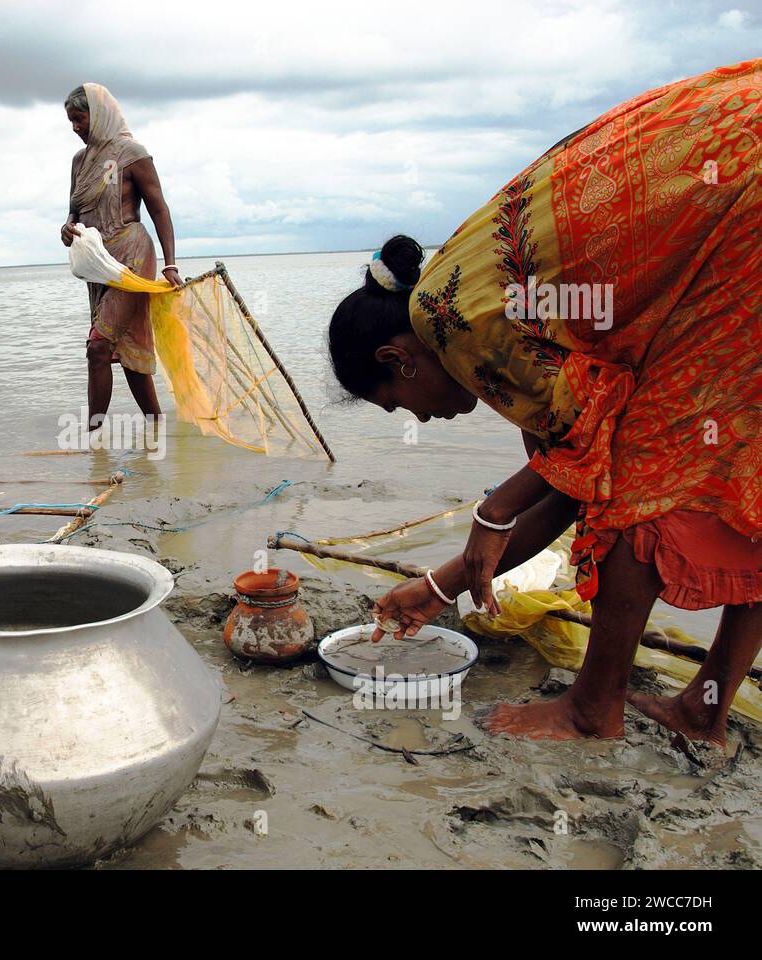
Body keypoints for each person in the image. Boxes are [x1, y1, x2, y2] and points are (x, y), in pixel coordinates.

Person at [327, 59, 762, 746]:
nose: (422, 419)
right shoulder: (459, 290)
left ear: (398, 357)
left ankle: (592, 712)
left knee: (642, 469)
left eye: (399, 404)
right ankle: (704, 711)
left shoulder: (457, 327)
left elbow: (597, 463)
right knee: (746, 463)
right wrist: (438, 589)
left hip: (738, 205)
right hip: (734, 147)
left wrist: (493, 509)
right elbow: (566, 482)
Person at [61, 82, 184, 432]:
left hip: (132, 255)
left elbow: (159, 209)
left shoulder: (132, 153)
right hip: (98, 262)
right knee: (127, 353)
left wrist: (170, 264)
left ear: (98, 115)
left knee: (98, 348)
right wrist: (67, 229)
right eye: (70, 121)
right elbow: (74, 212)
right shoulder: (79, 162)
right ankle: (157, 429)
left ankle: (92, 436)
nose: (75, 128)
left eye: (80, 118)